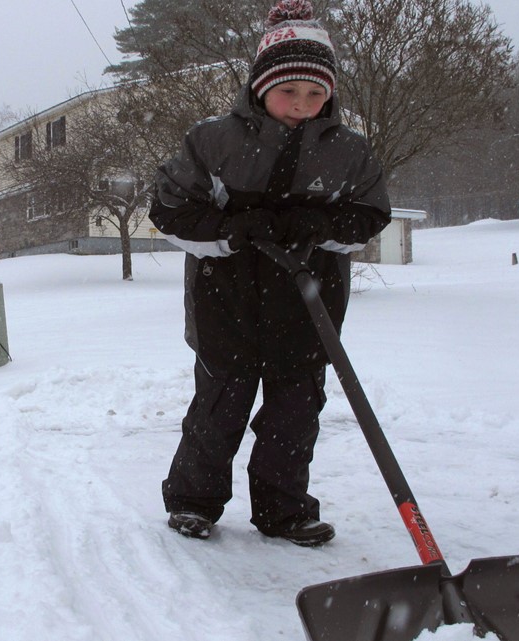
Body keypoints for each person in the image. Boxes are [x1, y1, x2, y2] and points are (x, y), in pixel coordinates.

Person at [149, 0, 391, 547]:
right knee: (218, 409)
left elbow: (369, 217)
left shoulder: (349, 151)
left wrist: (317, 223)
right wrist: (233, 229)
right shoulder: (214, 141)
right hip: (226, 301)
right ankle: (195, 502)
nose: (302, 105)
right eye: (289, 91)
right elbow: (169, 211)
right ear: (260, 87)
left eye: (316, 92)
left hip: (308, 303)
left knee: (295, 415)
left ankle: (284, 511)